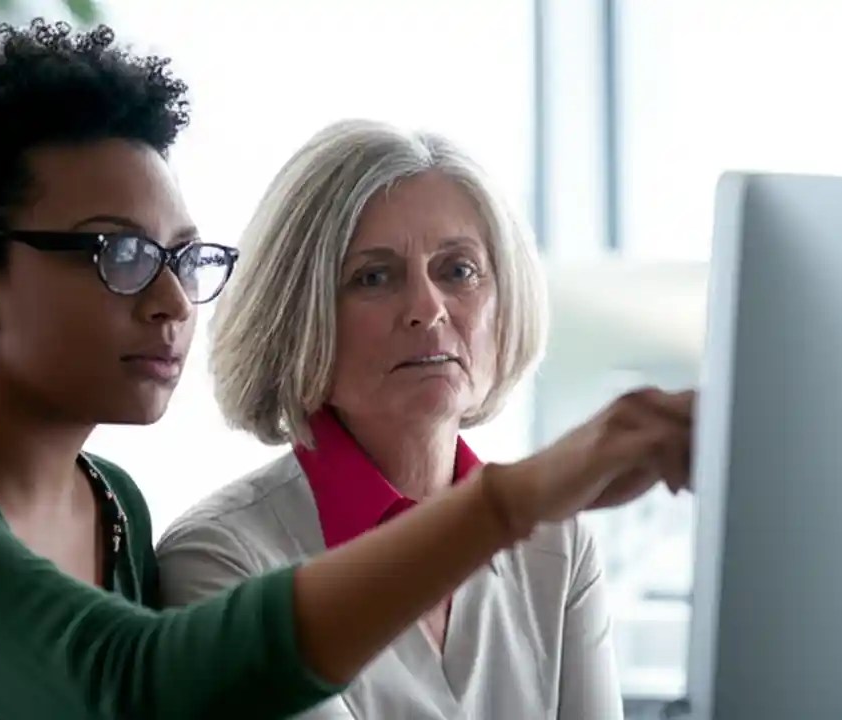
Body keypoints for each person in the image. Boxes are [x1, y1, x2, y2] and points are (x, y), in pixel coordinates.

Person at [0, 20, 694, 720]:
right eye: (115, 253)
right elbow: (137, 685)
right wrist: (513, 502)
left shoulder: (109, 503)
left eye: (181, 259)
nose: (167, 302)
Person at [157, 120, 674, 719]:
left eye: (459, 271)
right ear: (297, 315)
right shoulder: (220, 559)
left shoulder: (556, 545)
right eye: (373, 277)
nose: (428, 310)